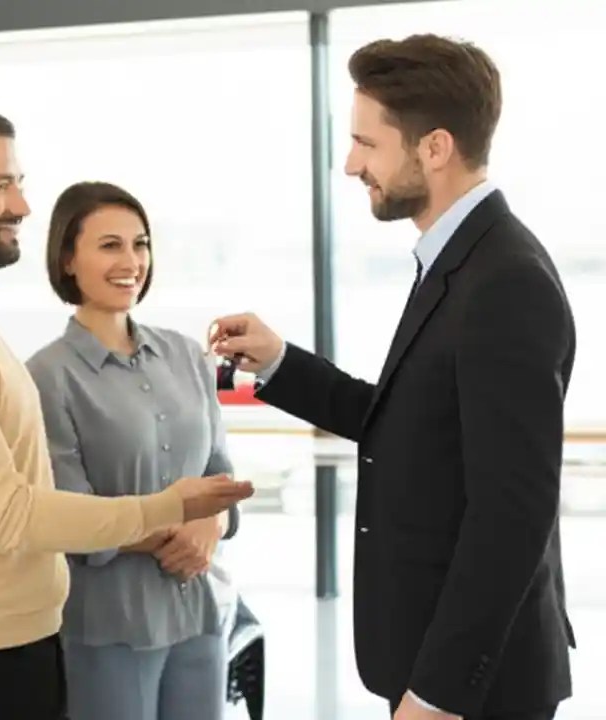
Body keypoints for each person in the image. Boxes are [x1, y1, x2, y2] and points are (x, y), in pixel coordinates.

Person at [209, 34, 575, 720]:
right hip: (441, 667)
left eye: (366, 143)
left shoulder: (505, 281)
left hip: (473, 688)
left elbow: (512, 516)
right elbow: (411, 422)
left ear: (433, 148)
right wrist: (282, 360)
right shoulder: (461, 261)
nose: (350, 165)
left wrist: (437, 694)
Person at [0, 106, 254, 720]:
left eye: (19, 184)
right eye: (1, 185)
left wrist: (204, 517)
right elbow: (12, 515)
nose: (21, 205)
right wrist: (174, 507)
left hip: (14, 652)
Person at [26, 180, 240, 720]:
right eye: (109, 245)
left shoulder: (188, 356)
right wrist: (180, 526)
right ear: (68, 259)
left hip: (199, 612)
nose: (131, 260)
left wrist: (208, 524)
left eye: (140, 244)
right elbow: (70, 512)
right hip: (108, 626)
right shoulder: (46, 377)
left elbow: (221, 476)